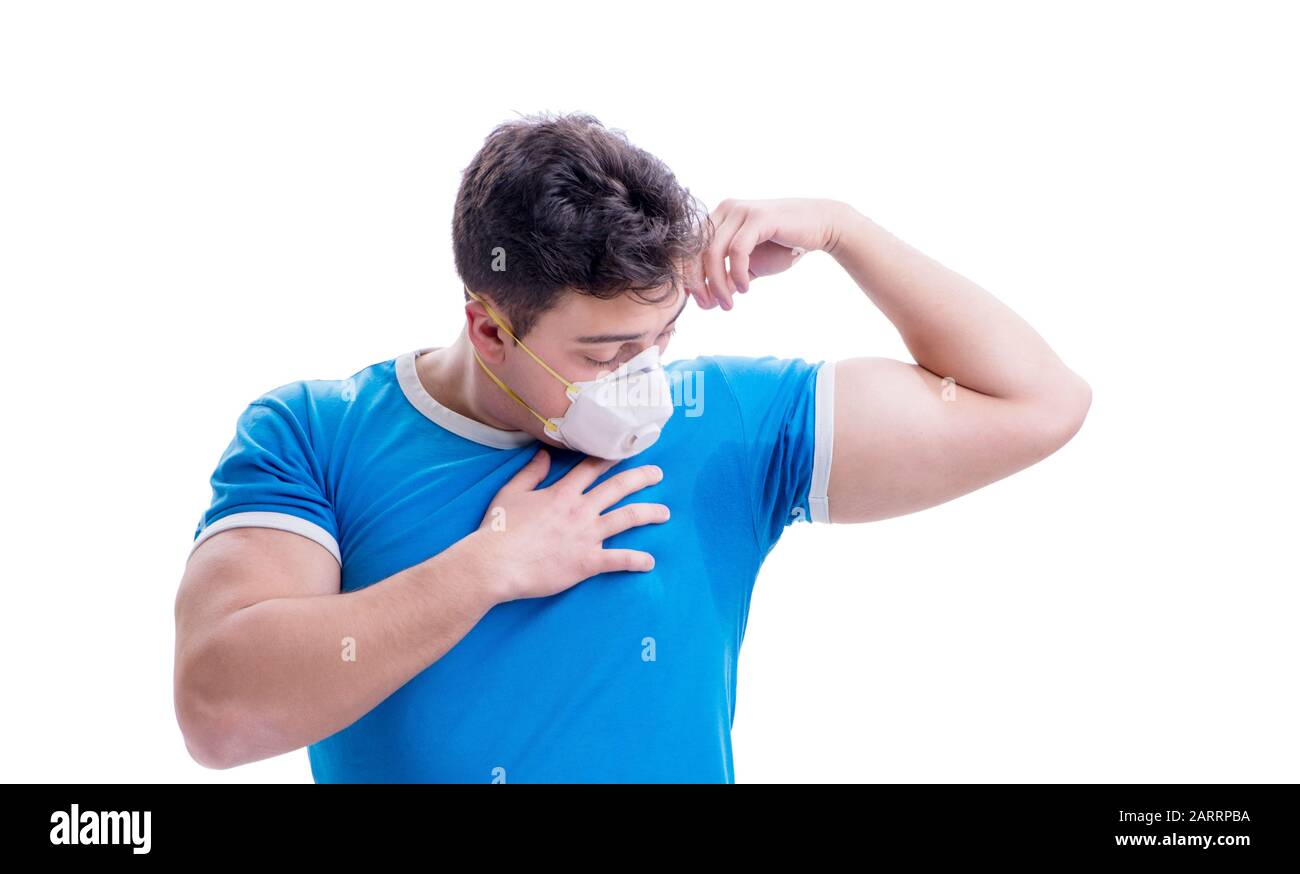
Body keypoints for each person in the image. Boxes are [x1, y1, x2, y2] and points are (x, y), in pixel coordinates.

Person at [173, 112, 1091, 782]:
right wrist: (485, 569)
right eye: (606, 354)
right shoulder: (314, 433)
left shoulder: (727, 418)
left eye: (661, 338)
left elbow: (1035, 403)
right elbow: (217, 712)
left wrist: (845, 230)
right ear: (489, 329)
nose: (645, 378)